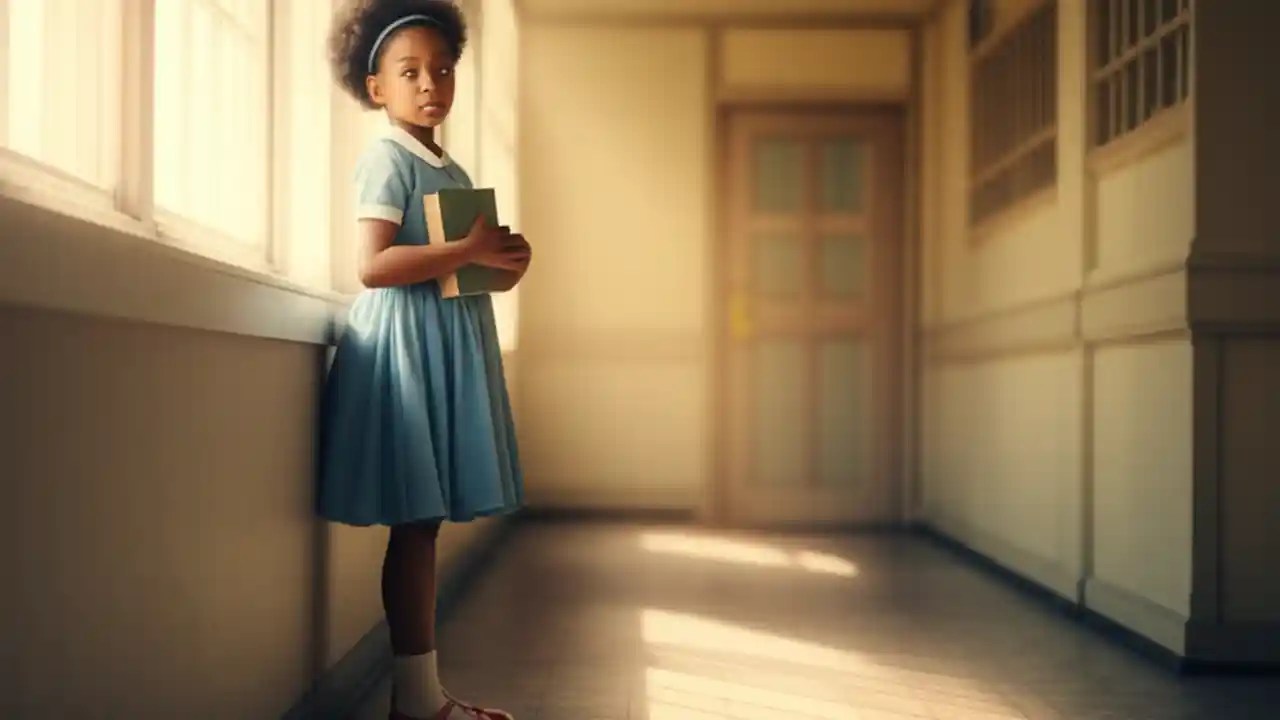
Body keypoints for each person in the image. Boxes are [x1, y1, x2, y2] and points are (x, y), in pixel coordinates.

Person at [321, 1, 529, 718]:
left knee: (424, 525)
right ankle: (416, 702)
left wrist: (502, 264)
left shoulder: (454, 168)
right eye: (409, 72)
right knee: (414, 523)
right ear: (376, 86)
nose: (430, 84)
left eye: (442, 70)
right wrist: (468, 249)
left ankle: (420, 697)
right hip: (405, 350)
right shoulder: (385, 158)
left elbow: (456, 268)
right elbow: (373, 265)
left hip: (444, 340)